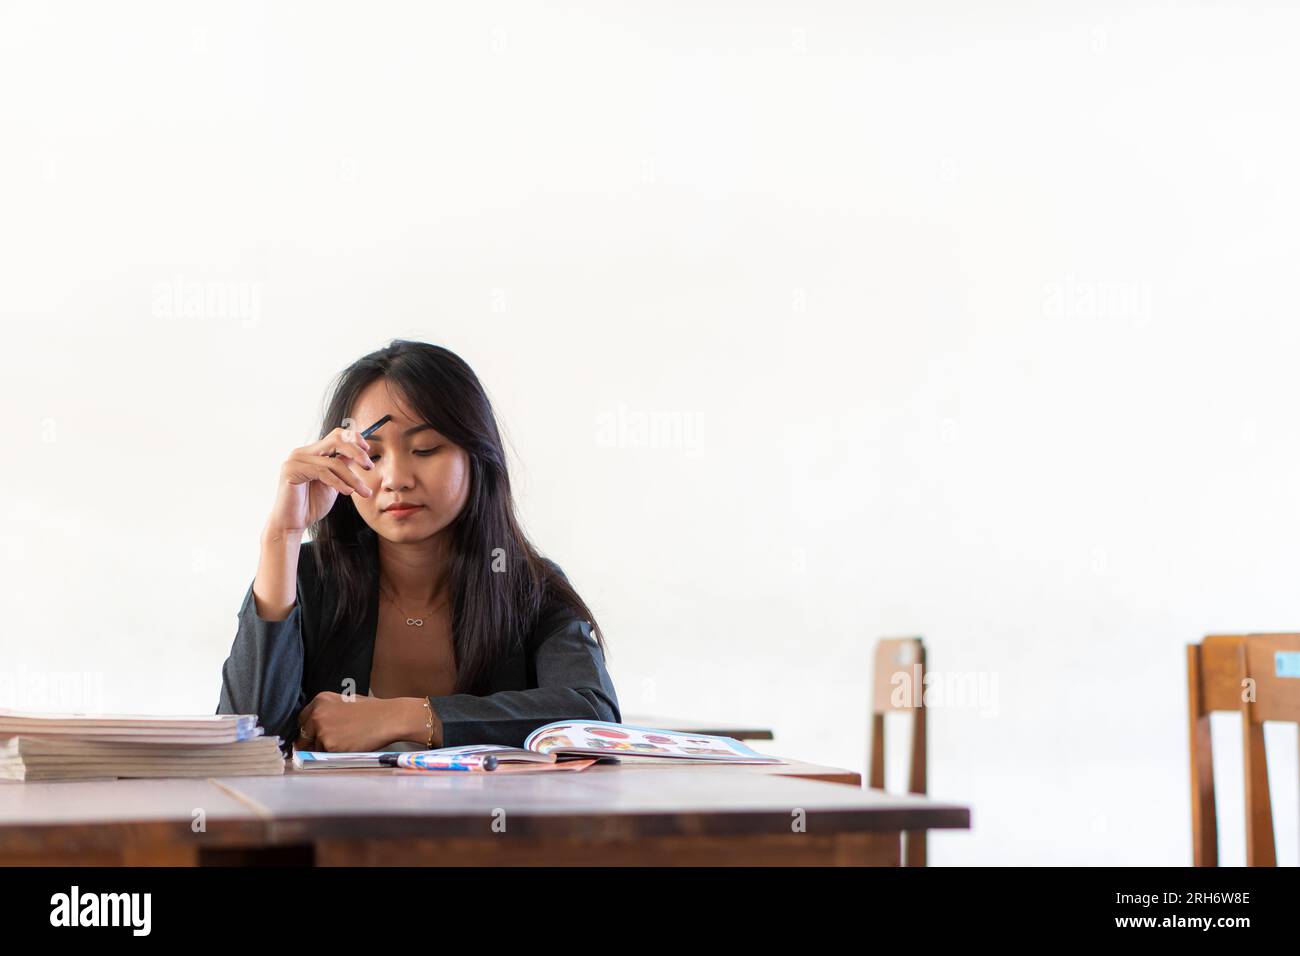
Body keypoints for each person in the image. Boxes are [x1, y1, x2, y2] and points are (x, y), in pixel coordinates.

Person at [216, 339, 620, 753]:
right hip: (336, 820)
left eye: (425, 449)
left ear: (477, 456)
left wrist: (404, 716)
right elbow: (244, 741)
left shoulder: (530, 586)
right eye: (370, 454)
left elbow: (591, 717)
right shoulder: (307, 579)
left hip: (487, 819)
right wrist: (281, 537)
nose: (395, 478)